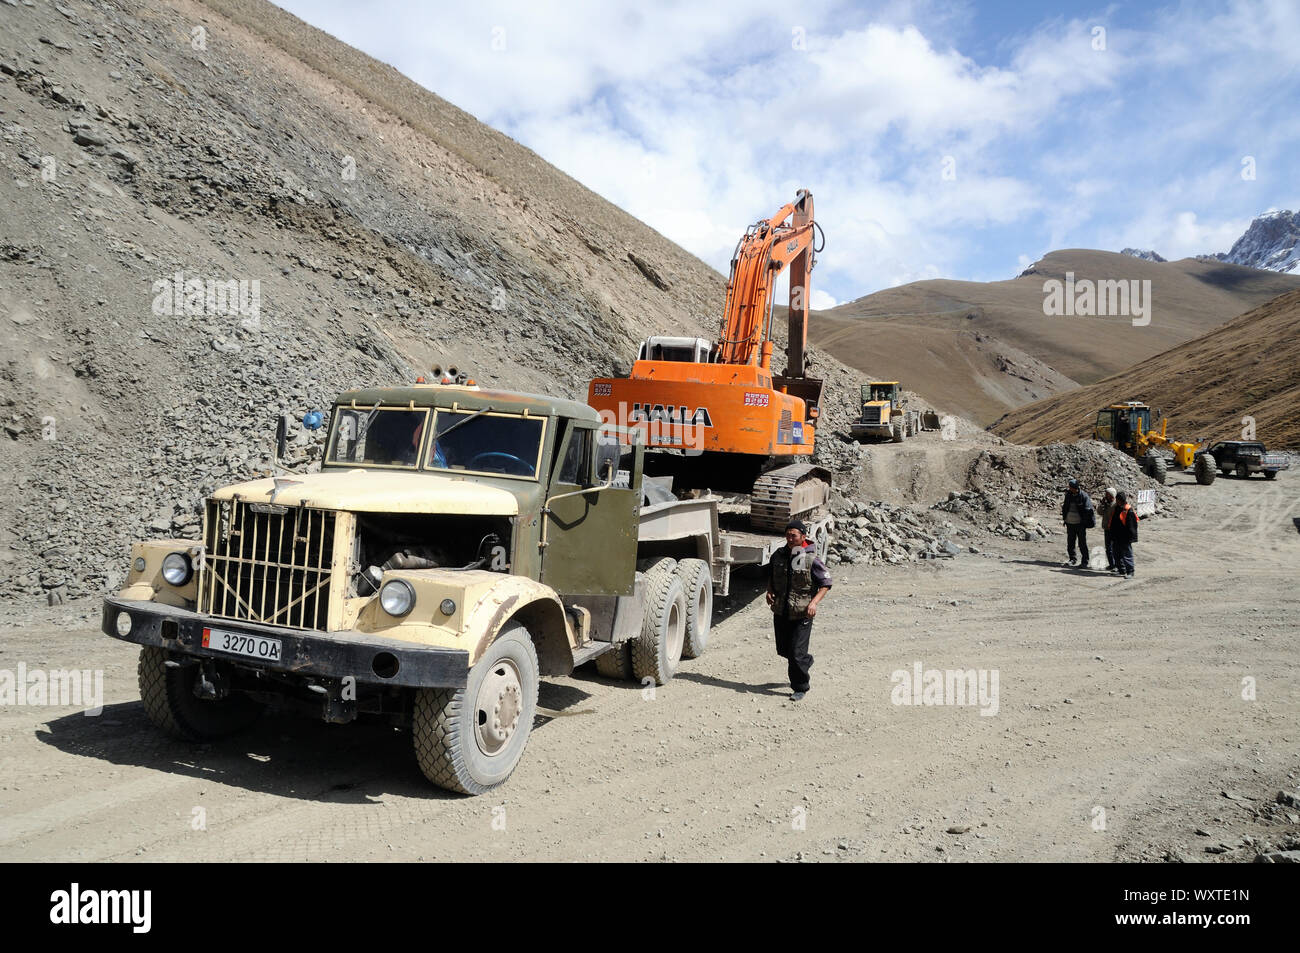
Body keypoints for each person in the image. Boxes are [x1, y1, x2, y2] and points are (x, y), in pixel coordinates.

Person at [766, 520, 832, 701]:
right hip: (781, 610)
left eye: (793, 535)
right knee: (784, 650)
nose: (789, 538)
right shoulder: (778, 556)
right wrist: (770, 590)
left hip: (802, 613)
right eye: (787, 534)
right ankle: (805, 660)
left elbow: (825, 584)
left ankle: (800, 687)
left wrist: (814, 603)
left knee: (795, 653)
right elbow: (771, 575)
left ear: (803, 537)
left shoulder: (811, 560)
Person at [1060, 478, 1095, 568]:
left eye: (1071, 487)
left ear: (1074, 487)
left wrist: (1084, 521)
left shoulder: (1083, 496)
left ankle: (1085, 561)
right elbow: (1065, 507)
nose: (1069, 488)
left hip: (1080, 524)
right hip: (1070, 523)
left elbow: (1088, 509)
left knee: (1082, 543)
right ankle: (1072, 559)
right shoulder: (1069, 495)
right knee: (1070, 542)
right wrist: (1065, 519)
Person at [1109, 490, 1139, 577]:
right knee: (1116, 553)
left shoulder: (1128, 510)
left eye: (1117, 499)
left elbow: (1132, 527)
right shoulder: (1117, 508)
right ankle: (1121, 569)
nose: (1116, 501)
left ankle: (1130, 571)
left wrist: (1130, 538)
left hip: (1125, 538)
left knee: (1127, 555)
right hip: (1116, 536)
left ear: (1120, 500)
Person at [1097, 487, 1118, 571]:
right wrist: (1102, 504)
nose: (1105, 496)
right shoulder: (1106, 504)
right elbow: (1099, 512)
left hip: (1114, 529)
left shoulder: (1115, 505)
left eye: (1107, 494)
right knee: (1108, 548)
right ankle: (1111, 564)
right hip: (1106, 528)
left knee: (1114, 548)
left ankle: (1116, 565)